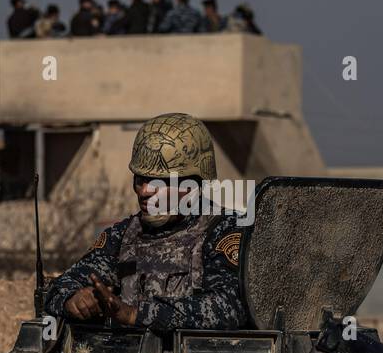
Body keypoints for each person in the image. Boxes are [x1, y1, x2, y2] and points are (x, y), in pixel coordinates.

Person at [43, 113, 247, 334]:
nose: (144, 191)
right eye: (140, 180)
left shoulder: (224, 230)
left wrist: (135, 315)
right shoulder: (122, 236)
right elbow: (60, 286)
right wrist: (74, 299)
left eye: (158, 182)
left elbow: (229, 307)